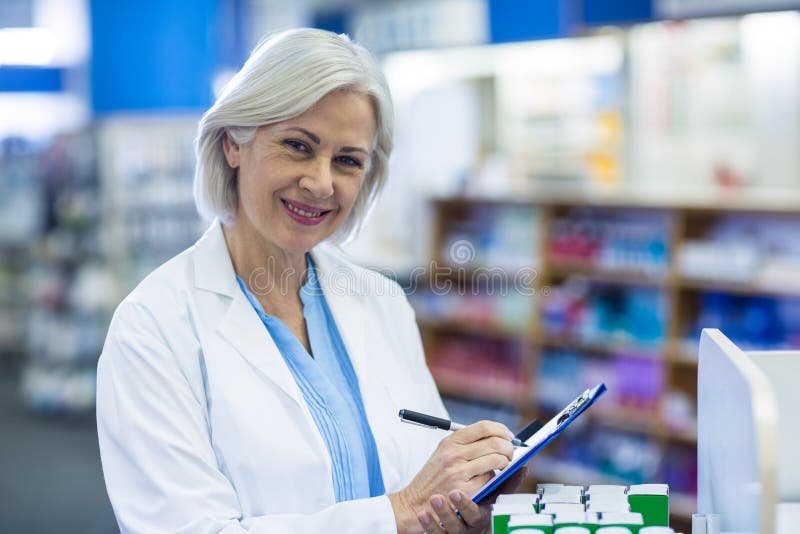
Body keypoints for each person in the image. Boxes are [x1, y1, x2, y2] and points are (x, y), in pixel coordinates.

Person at [96, 28, 524, 534]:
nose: (321, 183)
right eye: (298, 146)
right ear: (234, 142)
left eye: (347, 161)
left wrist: (463, 505)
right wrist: (400, 511)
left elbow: (424, 485)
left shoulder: (381, 302)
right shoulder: (154, 328)